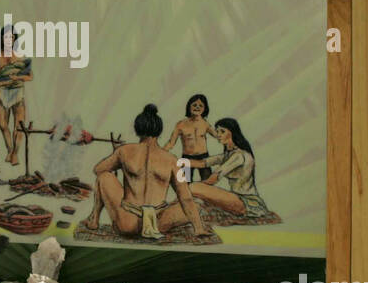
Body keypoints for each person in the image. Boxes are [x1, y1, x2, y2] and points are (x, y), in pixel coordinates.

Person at [83, 103, 211, 239]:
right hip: (158, 222)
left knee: (104, 177)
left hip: (128, 223)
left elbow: (98, 170)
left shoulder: (124, 151)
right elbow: (185, 197)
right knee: (197, 204)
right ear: (159, 131)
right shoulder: (172, 160)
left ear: (137, 129)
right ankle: (198, 228)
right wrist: (198, 228)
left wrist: (116, 154)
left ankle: (94, 220)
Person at [186, 117, 277, 220]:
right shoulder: (228, 154)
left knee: (194, 187)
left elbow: (214, 179)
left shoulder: (239, 155)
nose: (218, 135)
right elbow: (203, 163)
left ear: (232, 132)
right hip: (236, 199)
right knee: (194, 190)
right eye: (217, 131)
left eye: (222, 131)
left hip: (248, 202)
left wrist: (197, 188)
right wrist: (180, 162)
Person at [0, 24, 32, 166]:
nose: (8, 40)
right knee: (2, 124)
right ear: (2, 38)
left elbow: (29, 76)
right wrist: (3, 83)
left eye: (11, 37)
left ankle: (15, 154)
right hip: (2, 92)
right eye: (6, 37)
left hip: (18, 92)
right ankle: (10, 149)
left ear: (14, 39)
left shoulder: (21, 56)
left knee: (19, 125)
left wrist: (17, 78)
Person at [164, 93, 218, 181]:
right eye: (194, 105)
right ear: (189, 106)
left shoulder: (205, 124)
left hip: (204, 158)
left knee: (207, 184)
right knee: (184, 184)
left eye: (201, 105)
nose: (197, 107)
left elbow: (218, 136)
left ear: (205, 109)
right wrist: (159, 152)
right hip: (187, 158)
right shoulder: (181, 124)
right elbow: (171, 143)